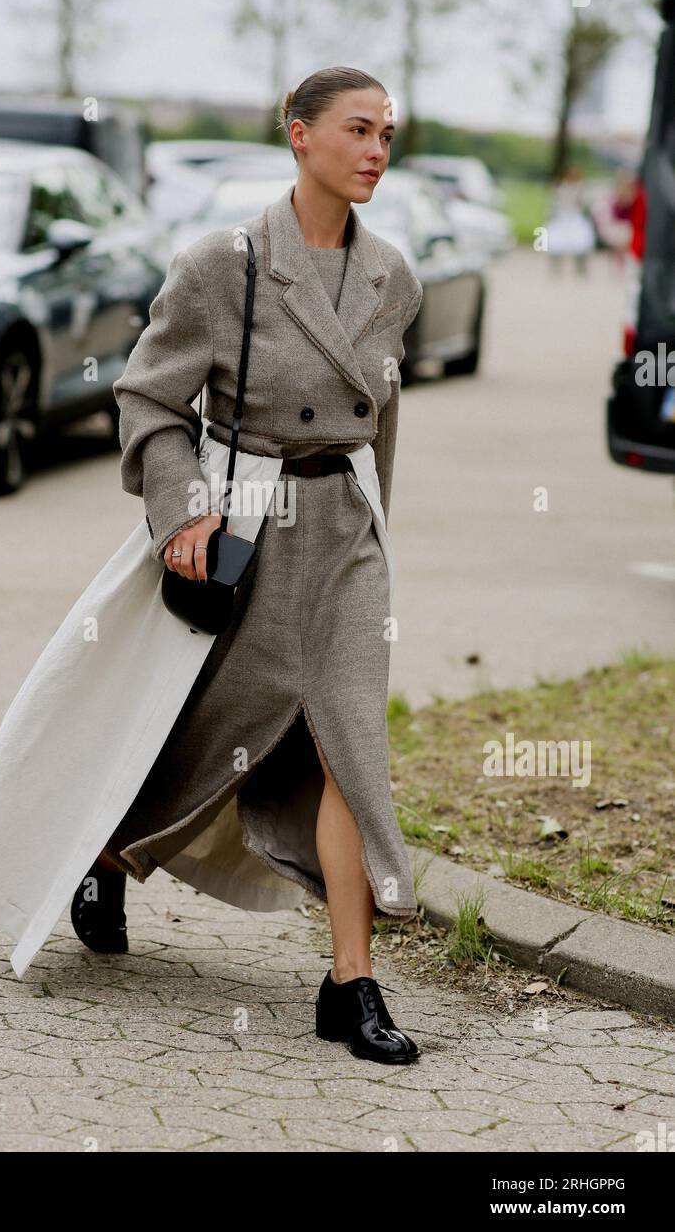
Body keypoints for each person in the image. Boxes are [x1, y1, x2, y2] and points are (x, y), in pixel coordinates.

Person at [71, 66, 423, 1064]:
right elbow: (147, 400)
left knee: (352, 744)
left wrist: (380, 527)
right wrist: (181, 507)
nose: (374, 152)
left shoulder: (393, 275)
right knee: (205, 737)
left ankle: (348, 983)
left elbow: (378, 419)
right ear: (297, 134)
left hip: (345, 537)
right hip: (248, 525)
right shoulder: (220, 263)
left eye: (387, 135)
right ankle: (102, 850)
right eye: (356, 130)